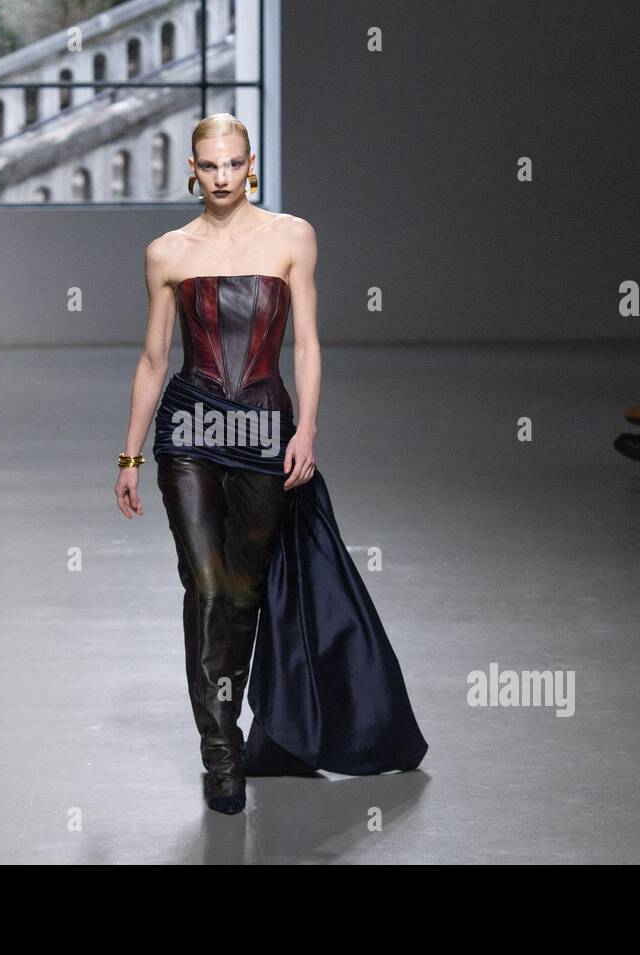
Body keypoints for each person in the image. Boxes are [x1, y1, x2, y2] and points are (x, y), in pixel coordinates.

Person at [114, 113, 427, 816]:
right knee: (207, 585)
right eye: (208, 166)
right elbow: (152, 359)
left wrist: (307, 429)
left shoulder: (293, 237)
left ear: (250, 164)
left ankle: (241, 727)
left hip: (263, 429)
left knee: (246, 592)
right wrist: (131, 455)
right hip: (189, 430)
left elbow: (309, 345)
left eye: (232, 164)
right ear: (191, 169)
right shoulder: (166, 252)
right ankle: (220, 753)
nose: (221, 178)